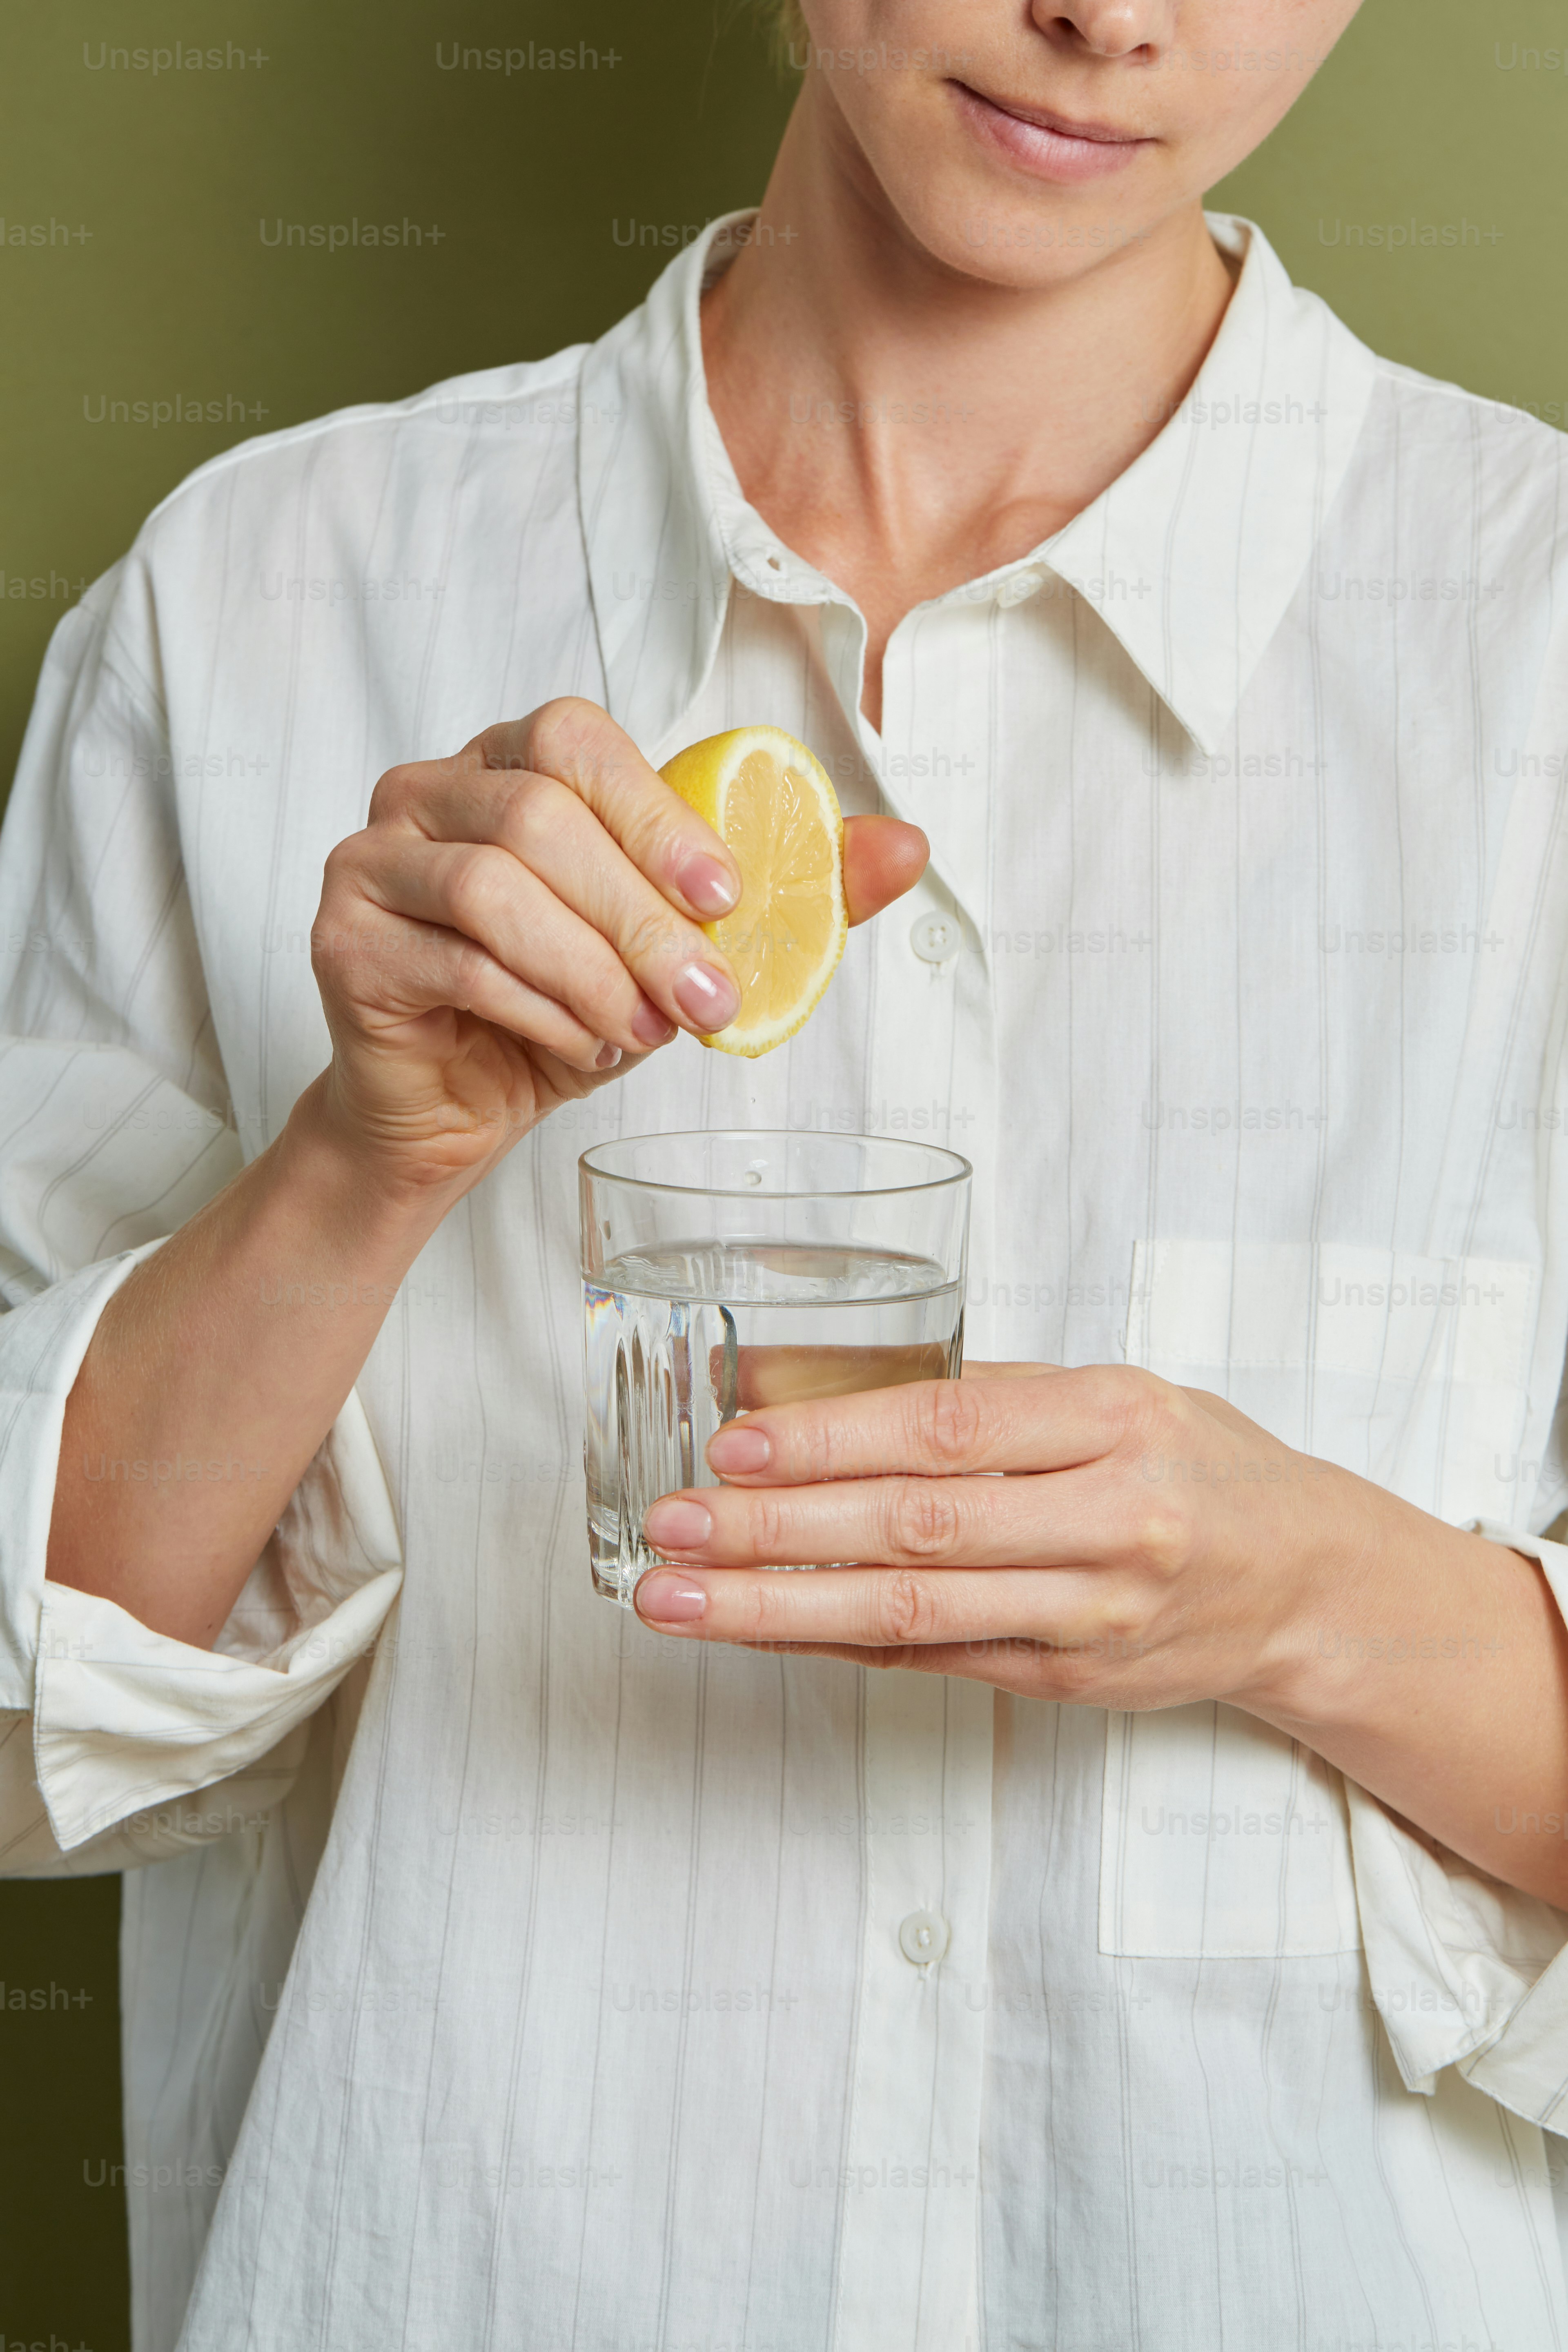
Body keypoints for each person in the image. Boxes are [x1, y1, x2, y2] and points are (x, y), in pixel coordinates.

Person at [4, 0, 1568, 2343]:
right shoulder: (252, 603)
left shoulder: (1532, 649)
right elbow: (24, 1739)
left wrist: (1302, 1595)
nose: (1114, 17)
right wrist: (361, 1168)